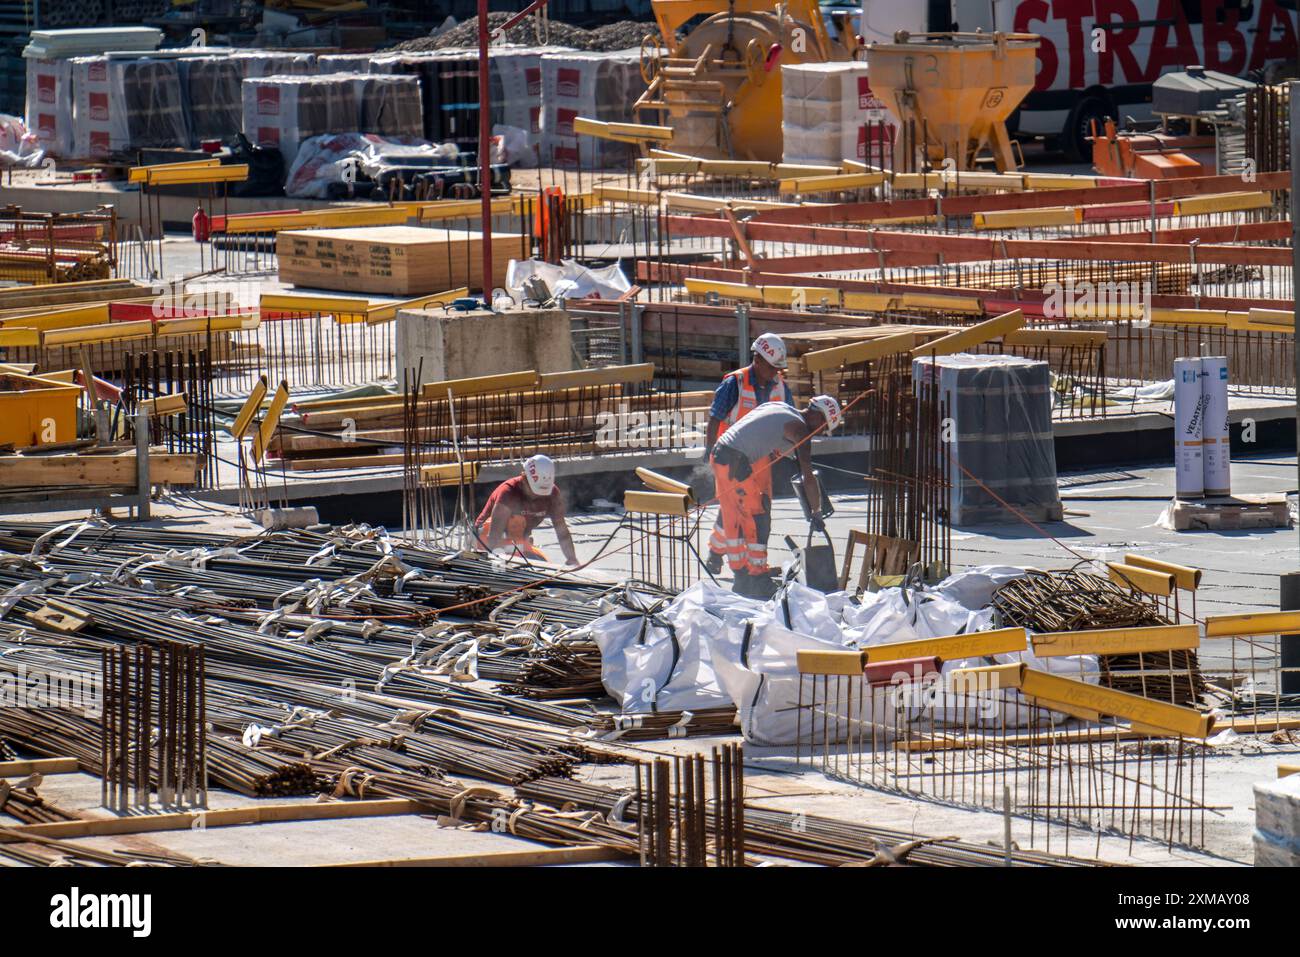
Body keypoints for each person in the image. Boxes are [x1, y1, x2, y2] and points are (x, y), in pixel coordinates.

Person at [710, 395, 842, 598]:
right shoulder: (800, 430)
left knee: (734, 512)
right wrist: (816, 511)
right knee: (758, 518)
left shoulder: (782, 408)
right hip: (736, 460)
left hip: (722, 454)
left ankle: (723, 561)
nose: (820, 432)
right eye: (824, 427)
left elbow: (770, 441)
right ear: (818, 416)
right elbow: (807, 475)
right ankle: (756, 578)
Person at [703, 333, 794, 574]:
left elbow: (792, 422)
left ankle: (737, 558)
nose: (776, 372)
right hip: (731, 459)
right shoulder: (736, 383)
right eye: (773, 367)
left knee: (758, 511)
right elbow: (715, 420)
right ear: (758, 359)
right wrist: (711, 455)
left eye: (778, 368)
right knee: (733, 510)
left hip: (762, 463)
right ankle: (738, 565)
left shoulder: (781, 388)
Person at [474, 454, 579, 566]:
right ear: (524, 478)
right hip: (486, 538)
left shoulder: (552, 493)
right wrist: (492, 564)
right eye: (534, 491)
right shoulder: (508, 492)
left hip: (517, 539)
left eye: (542, 493)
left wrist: (572, 559)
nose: (538, 496)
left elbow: (561, 529)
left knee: (539, 562)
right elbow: (494, 535)